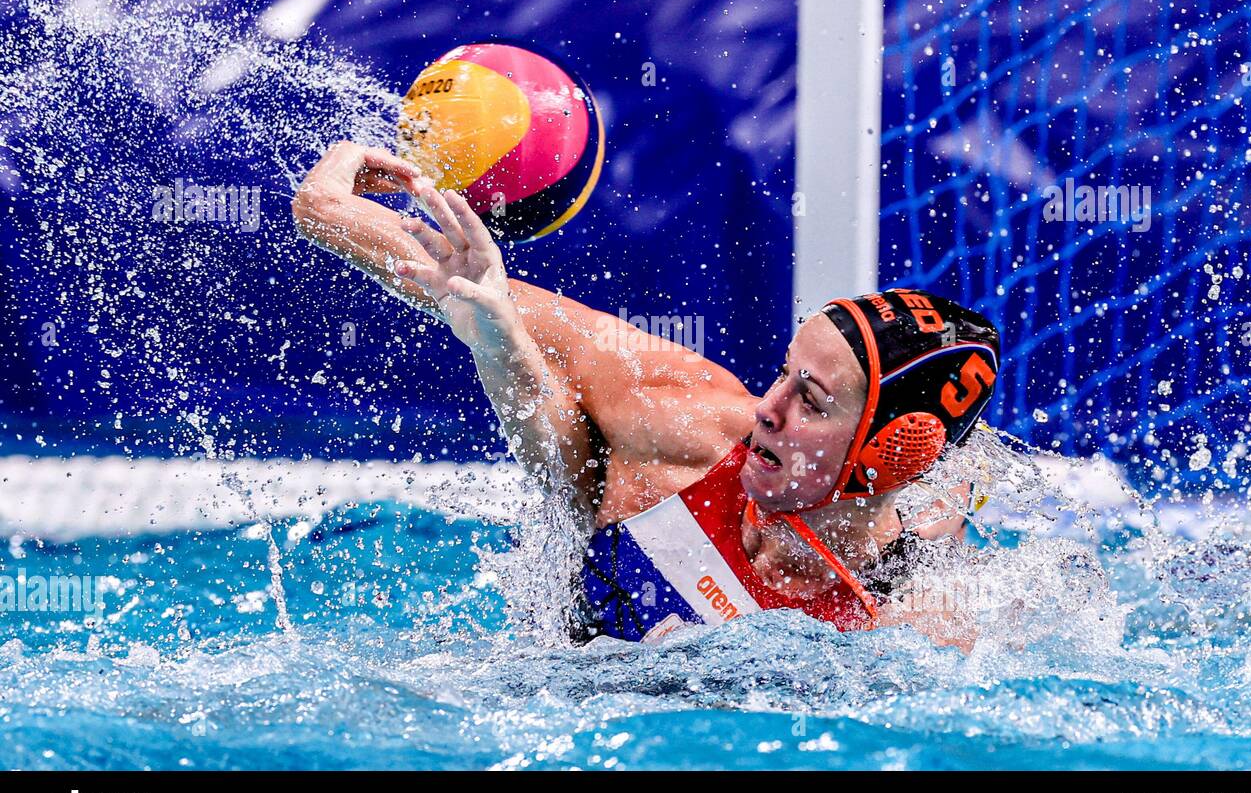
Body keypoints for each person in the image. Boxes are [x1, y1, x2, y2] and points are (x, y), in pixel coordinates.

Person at [291, 142, 1001, 650]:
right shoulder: (685, 416)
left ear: (890, 454)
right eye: (783, 373)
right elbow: (457, 281)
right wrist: (333, 193)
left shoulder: (911, 626)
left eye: (809, 401)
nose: (766, 407)